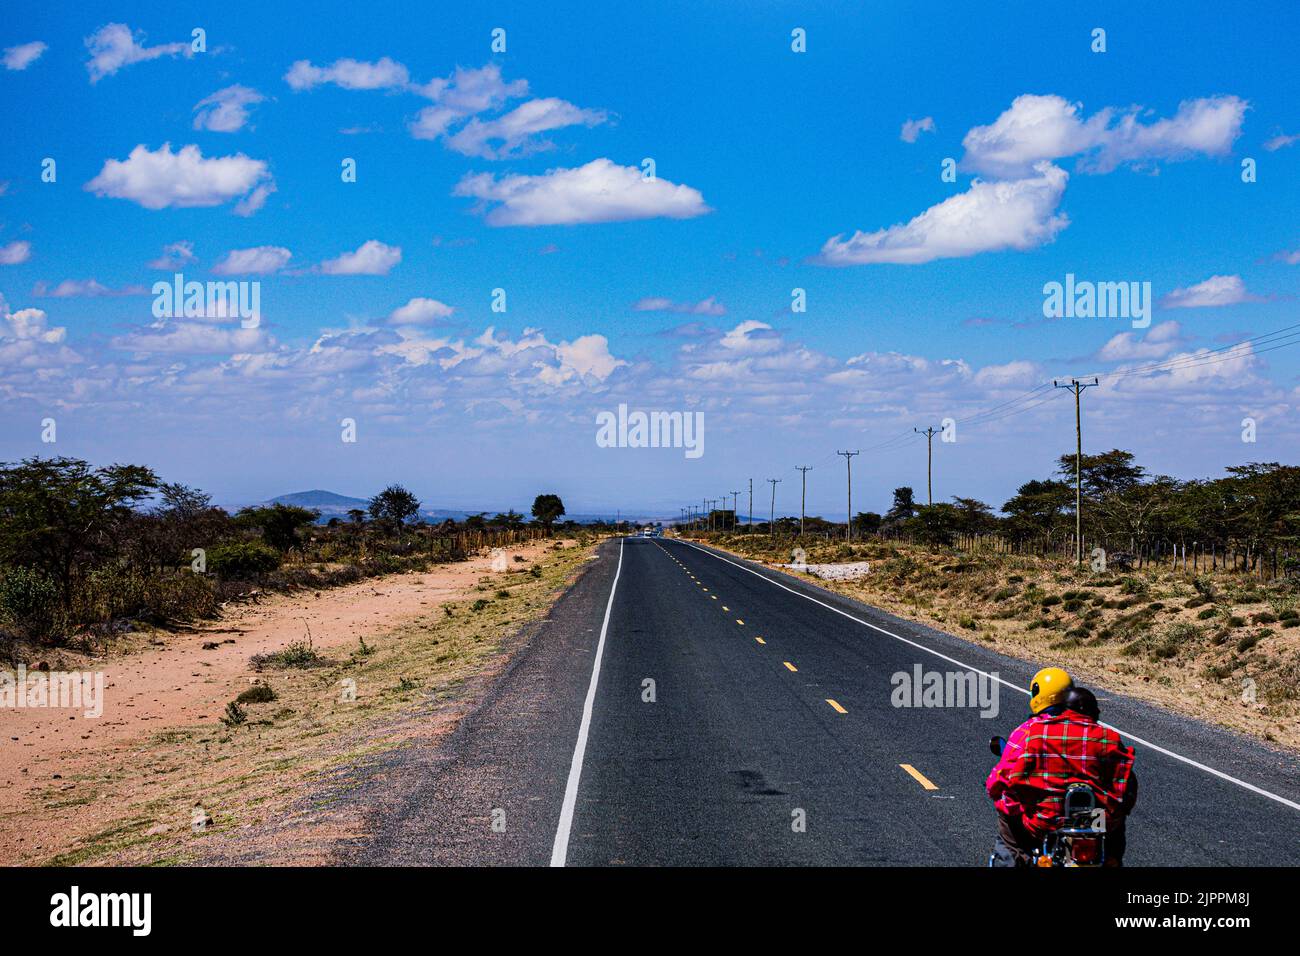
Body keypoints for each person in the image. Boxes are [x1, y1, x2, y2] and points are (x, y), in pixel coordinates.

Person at [986, 668, 1137, 866]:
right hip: (1093, 823)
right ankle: (1111, 860)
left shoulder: (1032, 732)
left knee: (1007, 824)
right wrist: (1113, 815)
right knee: (1117, 822)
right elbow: (1127, 784)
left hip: (1043, 821)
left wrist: (1012, 803)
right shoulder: (1108, 737)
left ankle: (1018, 860)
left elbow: (1002, 780)